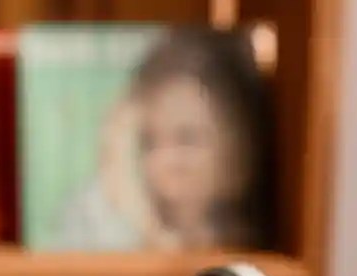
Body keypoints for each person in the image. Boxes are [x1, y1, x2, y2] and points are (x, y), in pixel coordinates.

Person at [52, 27, 273, 251]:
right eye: (148, 143)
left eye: (187, 140)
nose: (159, 165)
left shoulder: (253, 249)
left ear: (240, 147)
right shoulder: (101, 221)